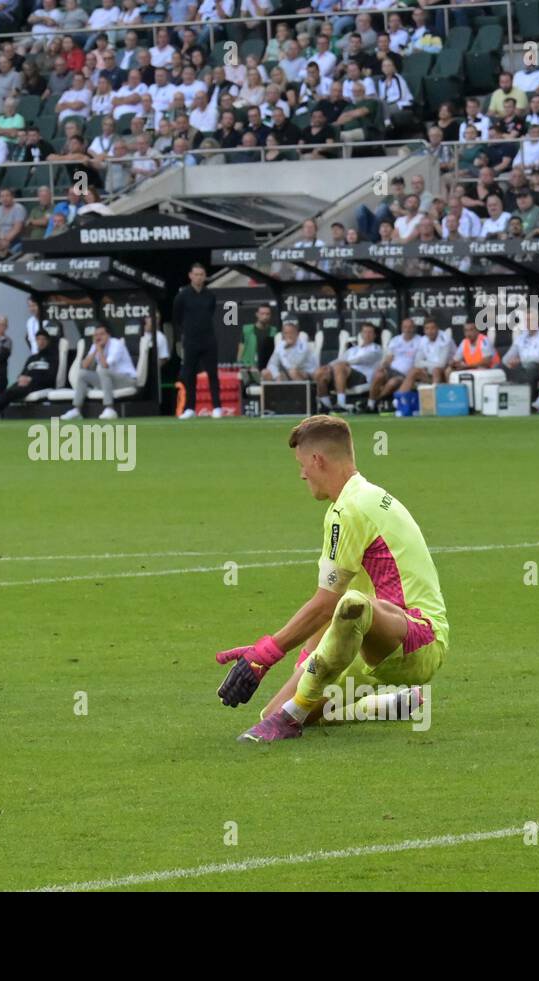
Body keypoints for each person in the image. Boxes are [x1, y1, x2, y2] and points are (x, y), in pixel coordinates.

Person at [216, 415, 447, 743]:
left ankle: (292, 718)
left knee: (353, 604)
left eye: (301, 464)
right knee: (272, 714)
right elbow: (329, 601)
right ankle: (388, 705)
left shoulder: (350, 510)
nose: (301, 474)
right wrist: (304, 662)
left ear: (317, 459)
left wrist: (264, 654)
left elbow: (327, 605)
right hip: (376, 642)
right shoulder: (366, 497)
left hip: (416, 639)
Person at [173, 262, 222, 419]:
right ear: (190, 276)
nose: (199, 277)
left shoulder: (210, 295)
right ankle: (190, 408)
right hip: (191, 341)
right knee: (189, 375)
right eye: (196, 274)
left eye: (202, 274)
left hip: (208, 339)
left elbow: (212, 312)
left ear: (205, 276)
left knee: (212, 374)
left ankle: (217, 407)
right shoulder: (182, 295)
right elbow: (177, 317)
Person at [61, 323, 138, 420]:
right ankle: (76, 410)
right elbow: (84, 366)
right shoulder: (96, 346)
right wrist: (94, 351)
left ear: (108, 335)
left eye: (102, 334)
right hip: (108, 381)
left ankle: (110, 408)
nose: (98, 337)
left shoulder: (116, 344)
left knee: (102, 370)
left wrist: (99, 349)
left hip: (127, 380)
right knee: (82, 374)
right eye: (96, 335)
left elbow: (105, 365)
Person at [0, 329, 59, 420]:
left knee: (9, 393)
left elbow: (51, 378)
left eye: (43, 339)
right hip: (23, 383)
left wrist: (31, 380)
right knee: (6, 393)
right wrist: (21, 378)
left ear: (47, 341)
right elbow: (23, 373)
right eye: (38, 339)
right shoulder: (32, 358)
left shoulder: (52, 358)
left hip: (38, 384)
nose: (41, 342)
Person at [315, 322, 382, 412]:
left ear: (374, 335)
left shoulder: (376, 349)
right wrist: (328, 366)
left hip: (362, 377)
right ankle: (326, 406)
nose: (367, 335)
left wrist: (347, 362)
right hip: (342, 374)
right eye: (365, 332)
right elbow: (339, 359)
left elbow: (364, 359)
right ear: (361, 334)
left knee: (340, 367)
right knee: (321, 372)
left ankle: (341, 404)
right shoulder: (353, 350)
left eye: (370, 332)